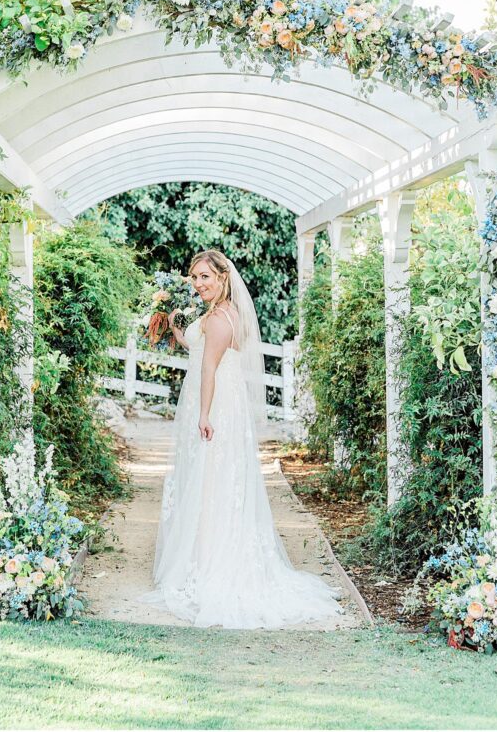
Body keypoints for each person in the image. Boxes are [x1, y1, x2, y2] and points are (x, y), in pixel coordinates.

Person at [137, 248, 346, 629]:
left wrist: (202, 414)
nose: (198, 284)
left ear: (222, 277)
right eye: (195, 277)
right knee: (217, 482)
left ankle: (208, 564)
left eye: (205, 277)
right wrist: (178, 331)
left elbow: (209, 367)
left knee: (210, 483)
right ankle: (209, 555)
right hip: (224, 405)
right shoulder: (225, 314)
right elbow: (201, 348)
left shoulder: (218, 318)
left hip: (214, 405)